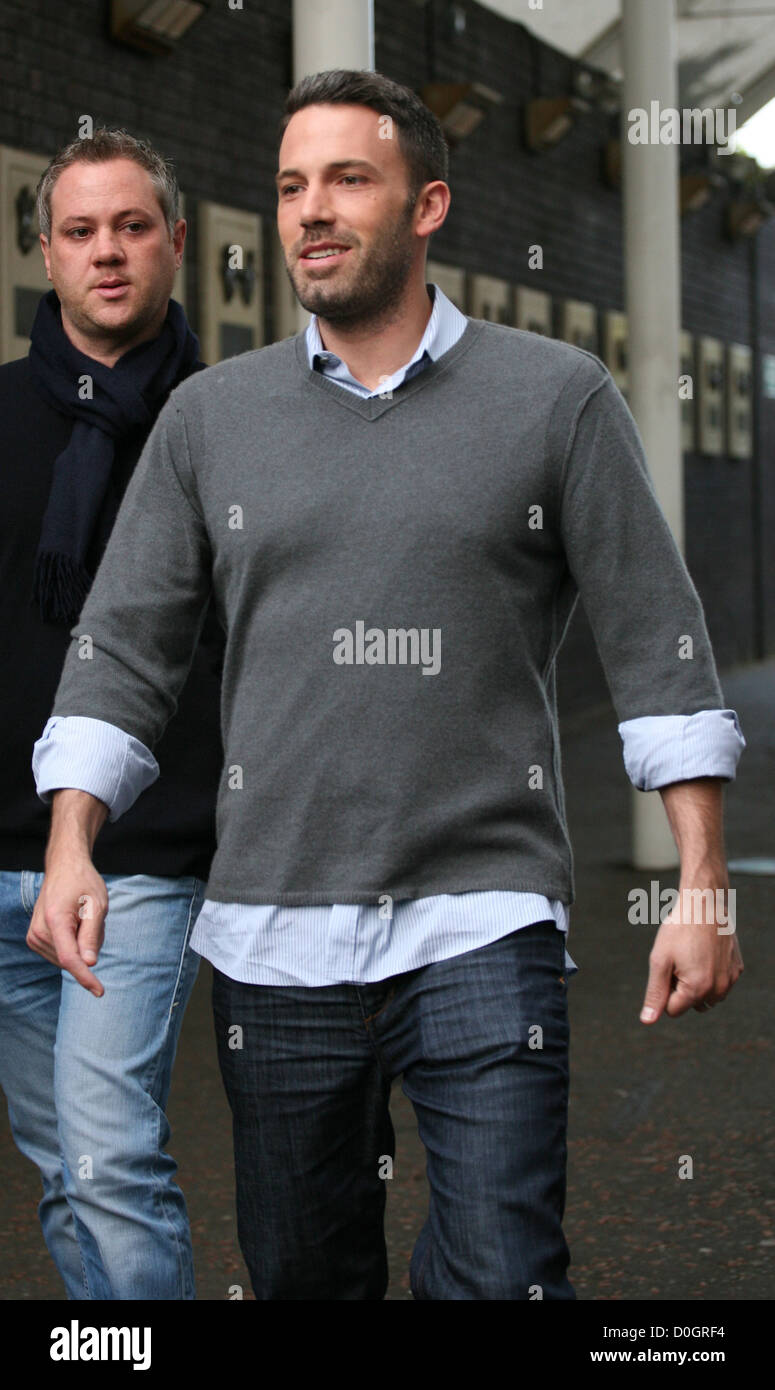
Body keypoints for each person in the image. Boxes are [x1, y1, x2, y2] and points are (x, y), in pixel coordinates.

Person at [30, 71, 744, 1301]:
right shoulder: (212, 419)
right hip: (273, 932)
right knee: (307, 1274)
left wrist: (701, 882)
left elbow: (654, 636)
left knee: (507, 1268)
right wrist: (71, 840)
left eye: (346, 180)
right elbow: (125, 644)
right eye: (291, 186)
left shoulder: (554, 394)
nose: (311, 211)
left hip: (486, 916)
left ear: (428, 204)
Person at [1, 127, 223, 1299]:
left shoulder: (231, 420)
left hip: (139, 852)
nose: (108, 253)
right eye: (80, 231)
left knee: (109, 1154)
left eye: (132, 226)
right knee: (62, 1168)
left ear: (176, 243)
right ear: (45, 252)